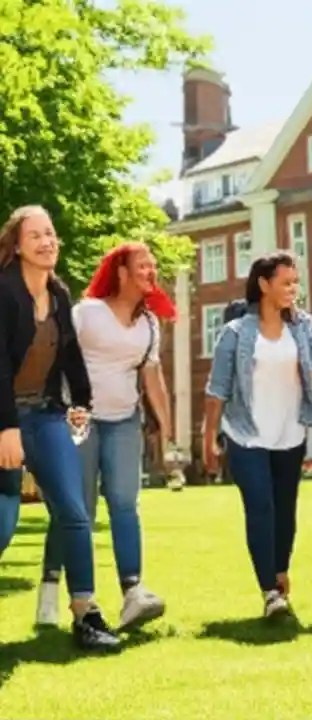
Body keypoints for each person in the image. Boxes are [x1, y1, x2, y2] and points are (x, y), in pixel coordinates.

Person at [38, 242, 175, 630]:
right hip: (79, 419)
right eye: (143, 266)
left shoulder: (149, 324)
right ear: (121, 273)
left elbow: (152, 377)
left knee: (124, 503)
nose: (152, 272)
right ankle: (50, 586)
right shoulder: (88, 314)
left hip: (123, 421)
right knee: (76, 507)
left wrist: (167, 428)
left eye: (154, 265)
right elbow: (56, 356)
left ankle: (133, 591)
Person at [0, 205, 117, 649]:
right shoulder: (4, 291)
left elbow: (69, 355)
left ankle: (85, 613)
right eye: (36, 236)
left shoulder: (60, 294)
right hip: (5, 419)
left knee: (74, 512)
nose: (48, 241)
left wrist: (82, 401)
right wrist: (5, 428)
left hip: (46, 414)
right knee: (3, 524)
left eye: (51, 234)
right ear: (17, 246)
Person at [203, 251, 312, 618]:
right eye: (285, 282)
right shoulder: (236, 333)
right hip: (245, 435)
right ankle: (270, 592)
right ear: (264, 285)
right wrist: (208, 438)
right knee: (261, 507)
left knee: (284, 512)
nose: (293, 289)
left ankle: (280, 573)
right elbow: (217, 390)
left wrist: (310, 373)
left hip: (289, 435)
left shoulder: (303, 326)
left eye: (295, 283)